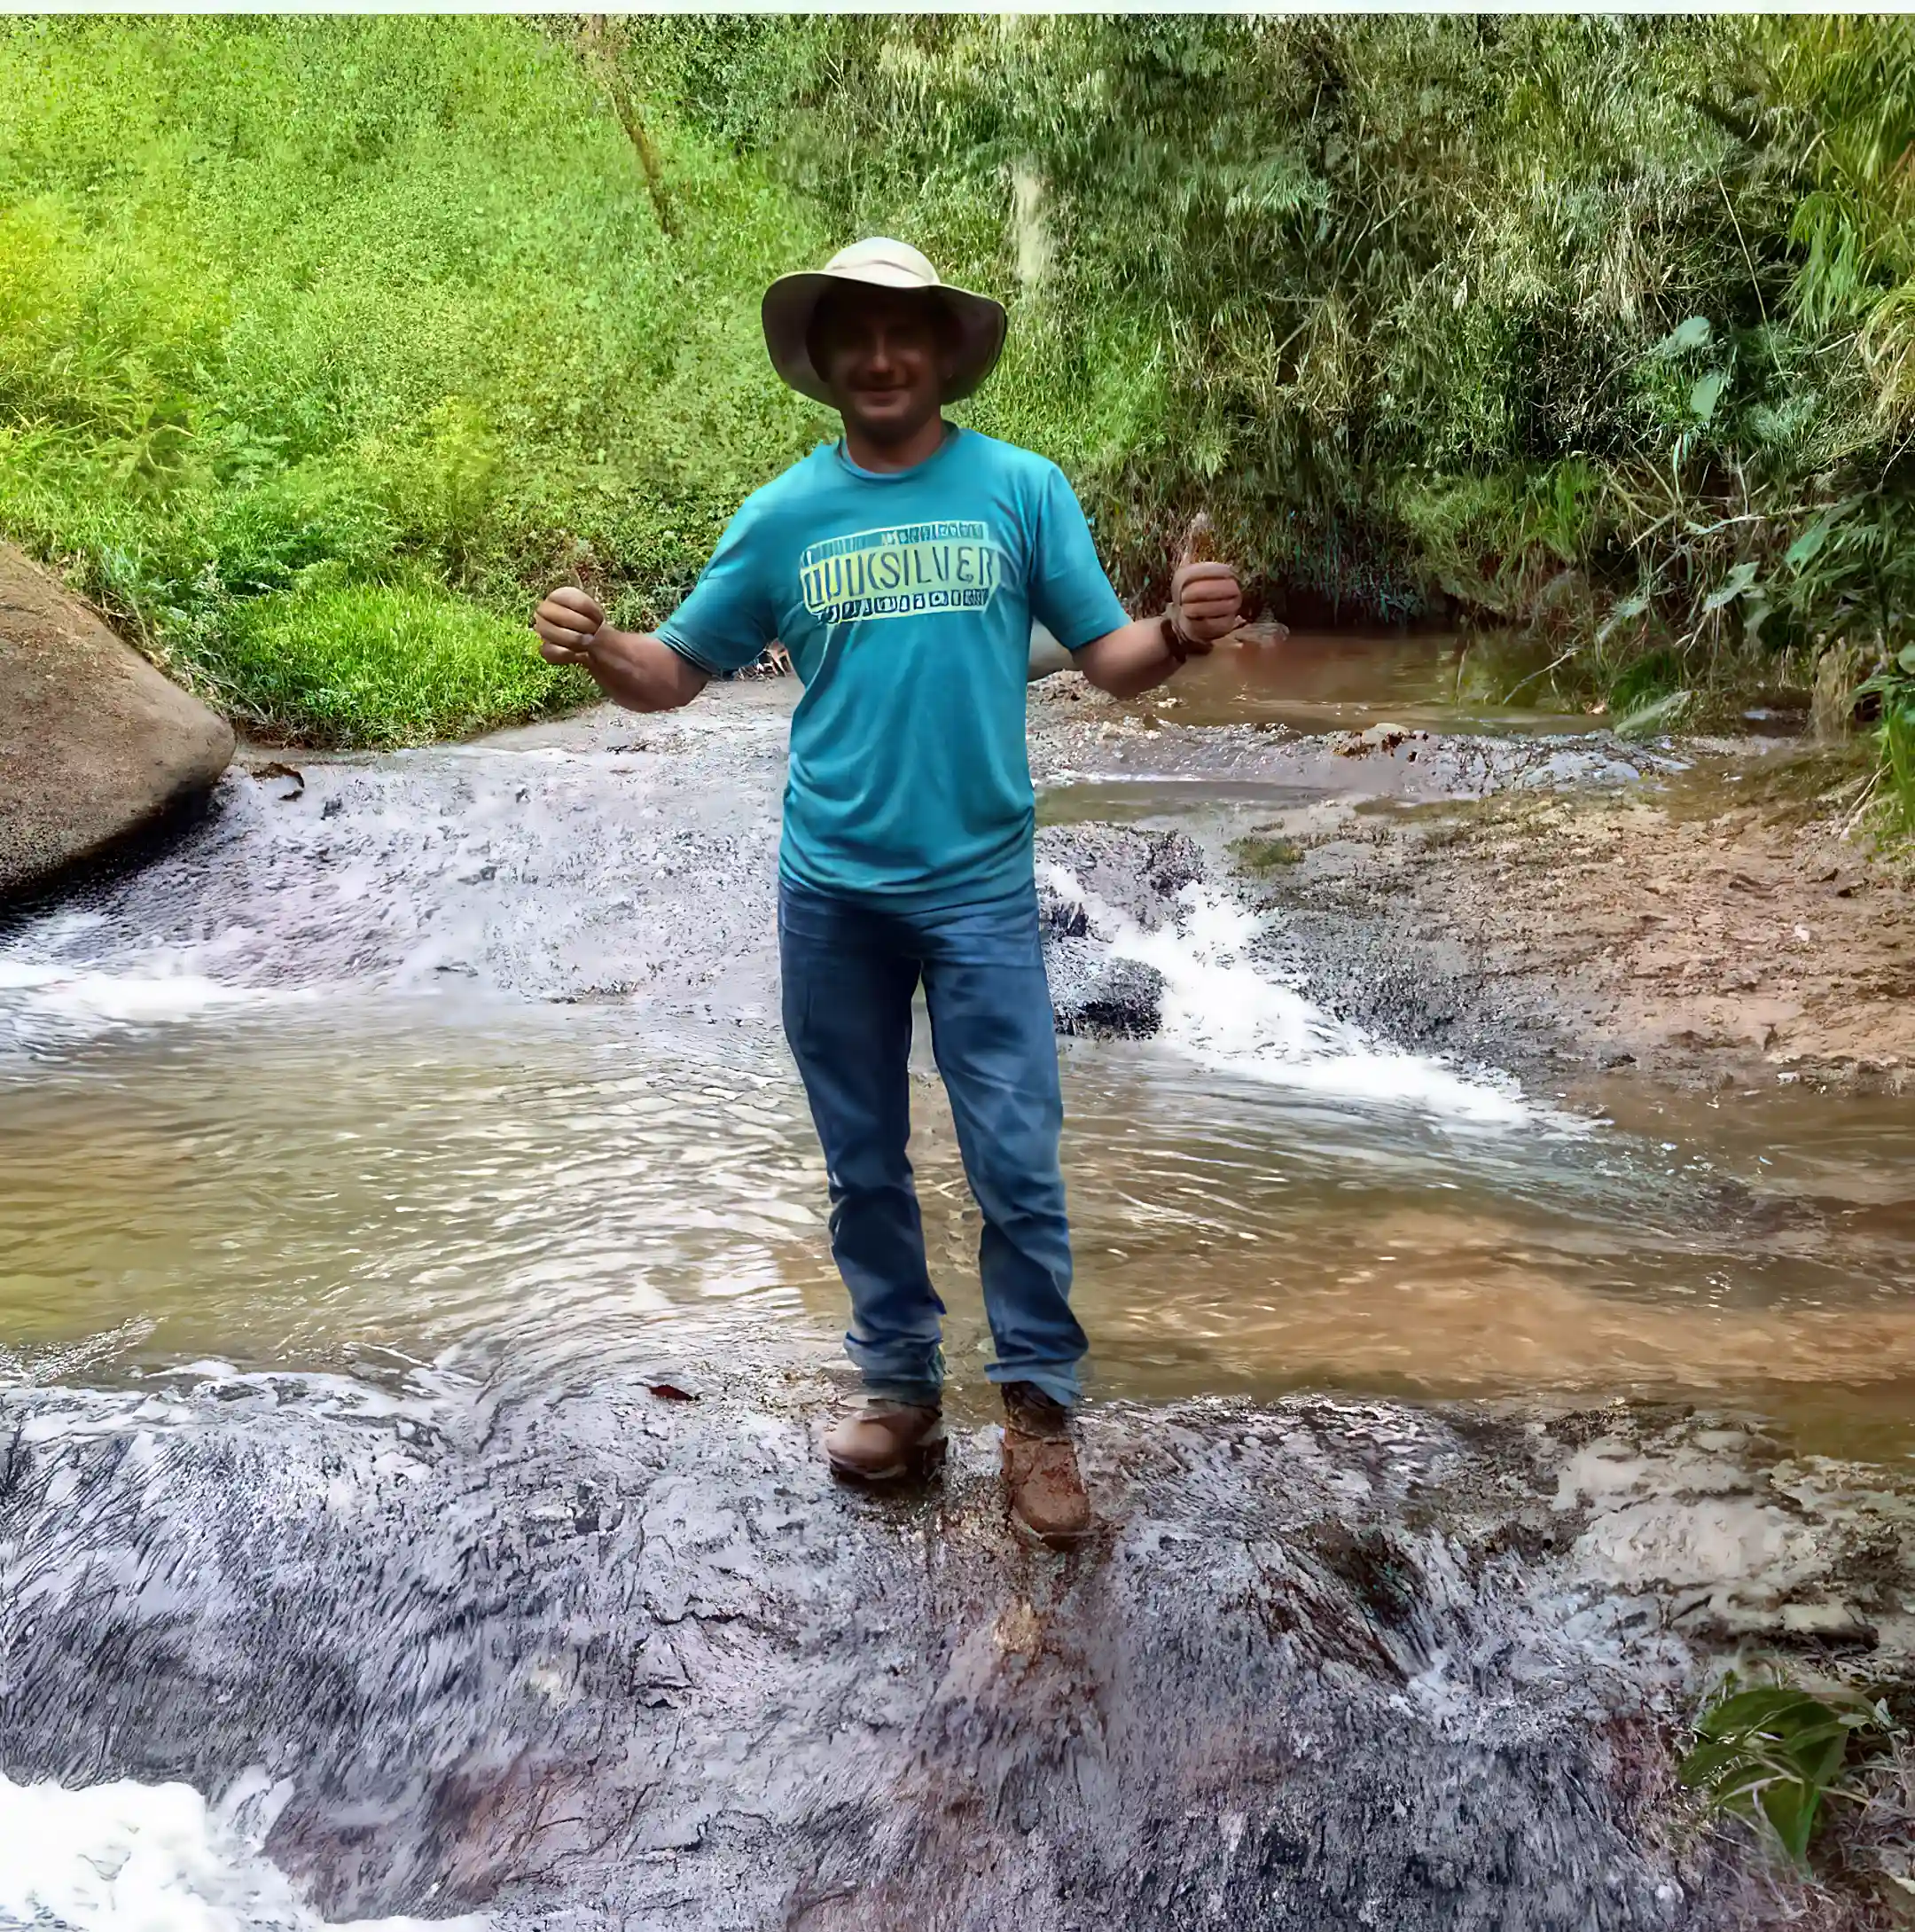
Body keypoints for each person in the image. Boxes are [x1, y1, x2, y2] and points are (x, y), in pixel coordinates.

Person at [533, 239, 1243, 1546]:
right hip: (833, 890)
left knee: (1015, 1156)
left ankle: (1038, 1417)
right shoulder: (782, 516)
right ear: (824, 361)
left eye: (901, 333)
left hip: (981, 886)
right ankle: (901, 1390)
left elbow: (1110, 656)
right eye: (854, 336)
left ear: (941, 353)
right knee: (862, 1161)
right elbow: (674, 674)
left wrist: (1183, 632)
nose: (879, 357)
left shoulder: (1021, 490)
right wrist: (598, 648)